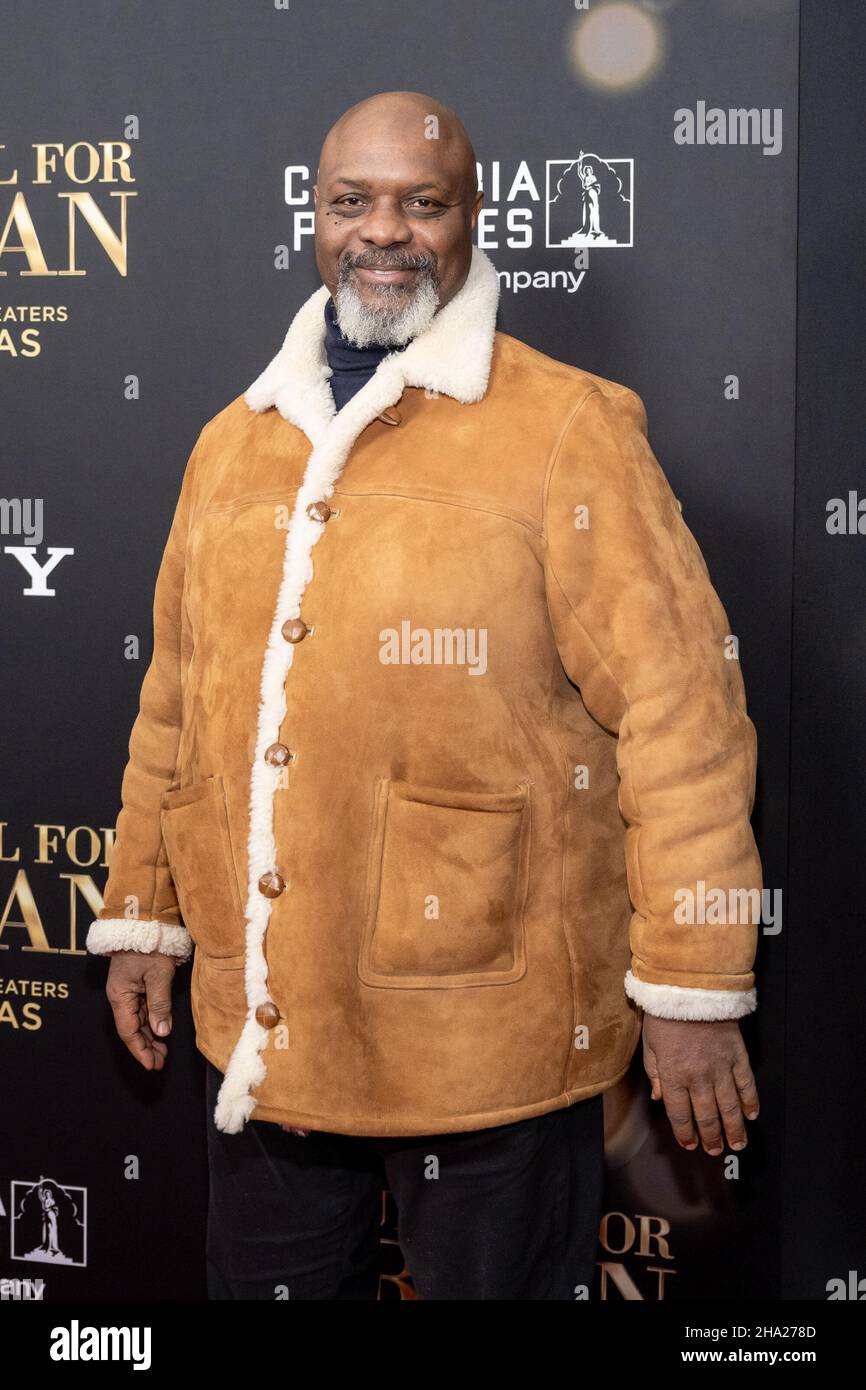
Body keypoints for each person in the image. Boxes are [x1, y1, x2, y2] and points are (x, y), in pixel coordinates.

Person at [86, 90, 762, 1300]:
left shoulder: (567, 428)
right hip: (270, 1034)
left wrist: (694, 982)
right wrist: (143, 910)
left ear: (471, 220)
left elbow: (681, 714)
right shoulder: (227, 446)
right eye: (353, 201)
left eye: (420, 202)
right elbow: (176, 705)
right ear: (312, 217)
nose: (382, 231)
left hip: (486, 1031)